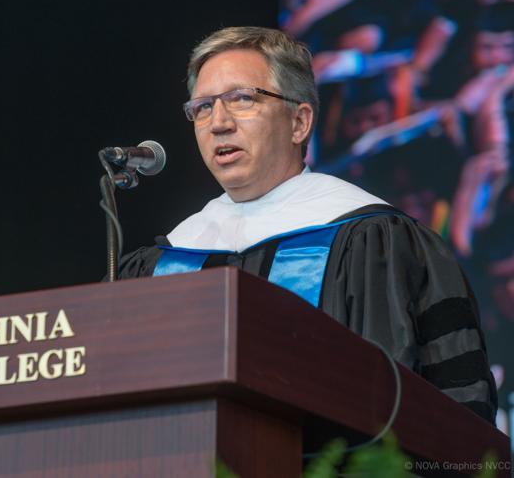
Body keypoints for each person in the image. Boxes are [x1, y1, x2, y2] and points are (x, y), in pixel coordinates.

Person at [117, 26, 497, 423]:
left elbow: (457, 412)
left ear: (299, 122)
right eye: (203, 107)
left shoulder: (378, 242)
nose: (219, 123)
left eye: (242, 99)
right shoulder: (166, 260)